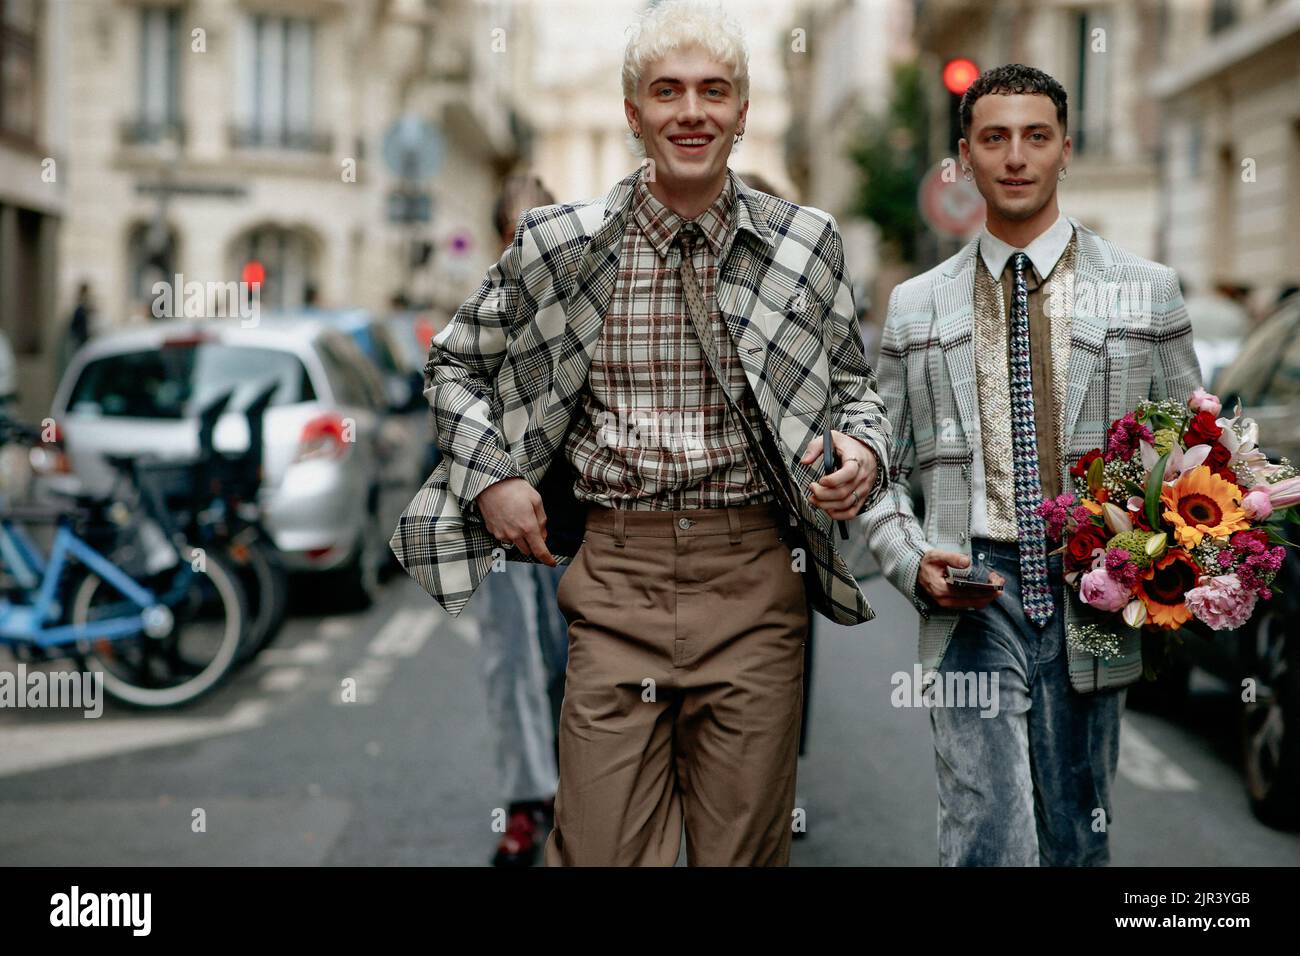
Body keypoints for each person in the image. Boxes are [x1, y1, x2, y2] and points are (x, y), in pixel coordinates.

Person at [390, 0, 891, 866]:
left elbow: (857, 393)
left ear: (742, 111)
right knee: (600, 850)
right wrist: (493, 479)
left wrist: (862, 452)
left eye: (713, 91)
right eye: (667, 91)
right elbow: (452, 363)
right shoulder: (561, 244)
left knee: (742, 855)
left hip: (756, 587)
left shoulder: (805, 244)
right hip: (614, 584)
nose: (690, 111)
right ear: (633, 113)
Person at [859, 64, 1202, 866]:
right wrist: (910, 560)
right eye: (995, 138)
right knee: (985, 833)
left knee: (1076, 839)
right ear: (966, 158)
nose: (1016, 156)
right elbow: (878, 463)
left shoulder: (1147, 293)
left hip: (1096, 596)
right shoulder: (916, 304)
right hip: (972, 592)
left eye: (1035, 137)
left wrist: (1167, 564)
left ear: (1065, 150)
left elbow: (1194, 458)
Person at [474, 173, 570, 867]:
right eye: (517, 231)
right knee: (512, 662)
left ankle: (576, 792)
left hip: (574, 525)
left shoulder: (586, 312)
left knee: (570, 663)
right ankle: (527, 803)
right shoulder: (479, 318)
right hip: (504, 527)